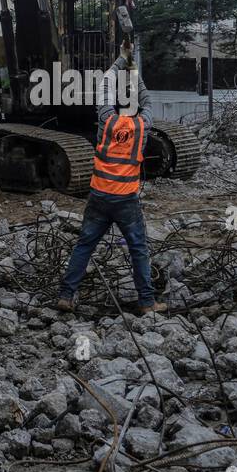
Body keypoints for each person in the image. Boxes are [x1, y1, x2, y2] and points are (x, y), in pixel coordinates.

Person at [56, 46, 165, 315]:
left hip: (99, 197)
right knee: (138, 248)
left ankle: (66, 296)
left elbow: (104, 84)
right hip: (126, 200)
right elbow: (148, 100)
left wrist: (120, 61)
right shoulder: (142, 126)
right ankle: (147, 302)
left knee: (85, 245)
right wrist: (135, 70)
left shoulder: (107, 122)